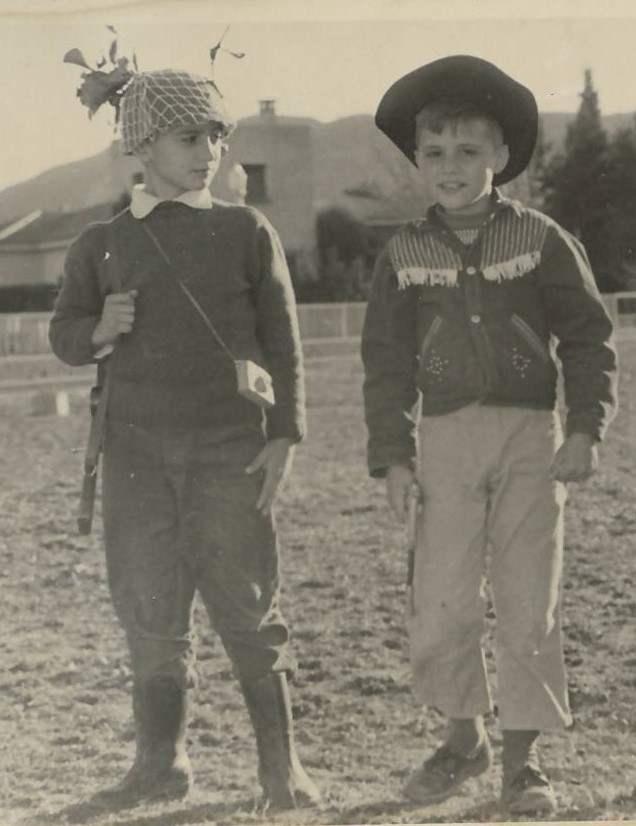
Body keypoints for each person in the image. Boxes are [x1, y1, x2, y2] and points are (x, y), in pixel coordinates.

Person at [49, 54, 320, 813]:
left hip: (229, 453)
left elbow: (283, 340)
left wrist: (287, 434)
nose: (206, 151)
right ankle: (160, 764)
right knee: (149, 607)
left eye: (213, 134)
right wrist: (98, 328)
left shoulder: (244, 230)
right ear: (140, 146)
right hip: (134, 460)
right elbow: (65, 333)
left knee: (247, 604)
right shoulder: (100, 243)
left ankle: (281, 770)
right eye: (183, 136)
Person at [361, 55, 617, 815]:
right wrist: (393, 457)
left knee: (526, 595)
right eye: (434, 153)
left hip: (531, 440)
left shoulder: (540, 239)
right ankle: (463, 736)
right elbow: (384, 365)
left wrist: (585, 429)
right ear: (418, 160)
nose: (450, 167)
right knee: (440, 595)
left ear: (502, 156)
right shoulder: (404, 253)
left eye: (468, 151)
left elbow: (588, 338)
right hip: (443, 442)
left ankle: (522, 759)